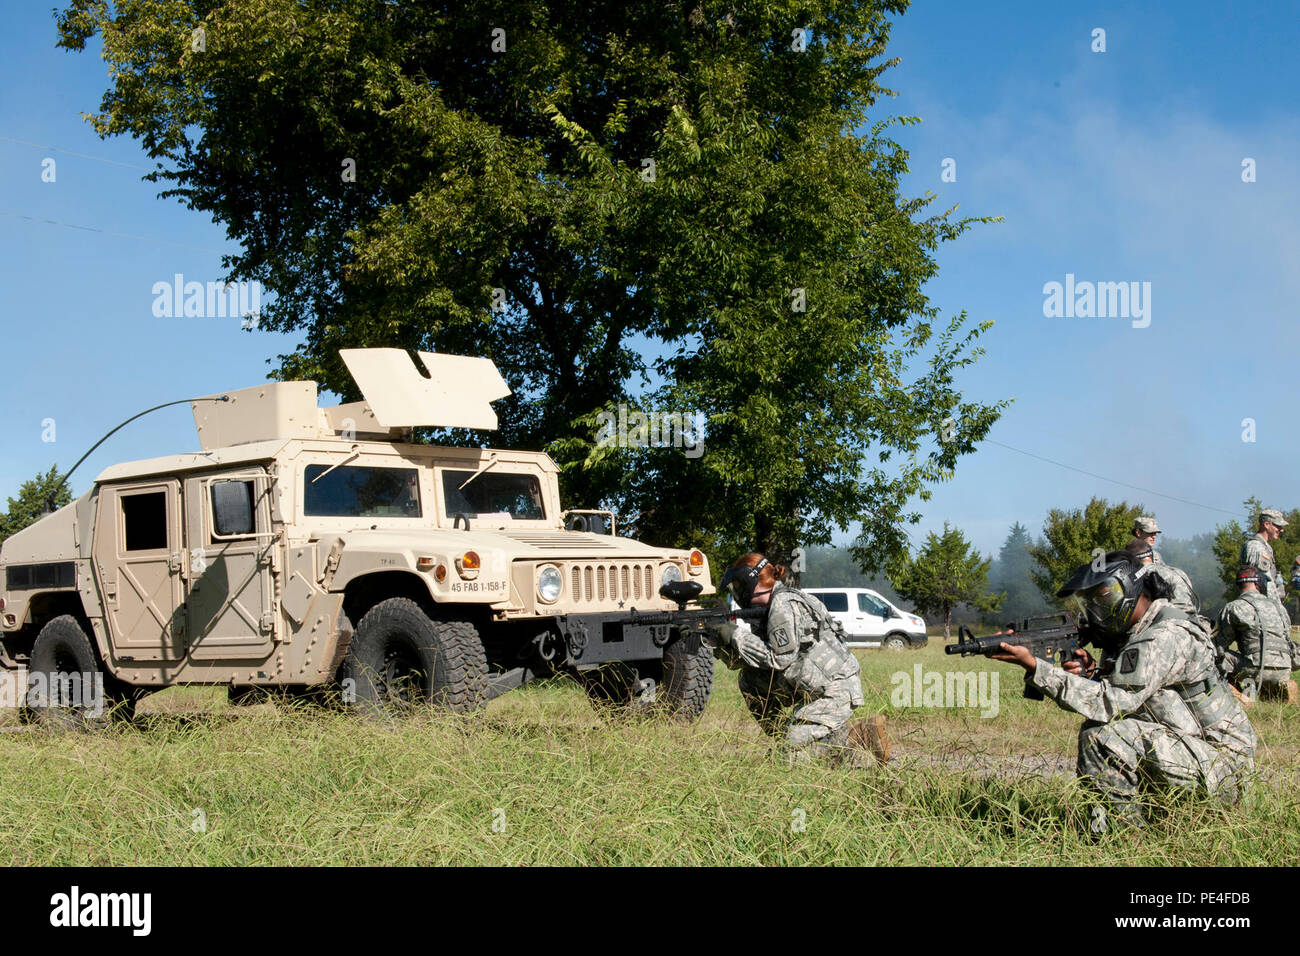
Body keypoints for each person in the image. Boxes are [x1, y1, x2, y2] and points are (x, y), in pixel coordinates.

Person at [992, 551, 1256, 833]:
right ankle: (1153, 822)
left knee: (1102, 737)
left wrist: (1036, 668)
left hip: (1226, 771)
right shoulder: (1143, 630)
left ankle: (1124, 837)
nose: (1094, 610)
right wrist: (1094, 672)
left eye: (1104, 597)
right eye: (1088, 602)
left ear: (1131, 589)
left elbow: (1109, 702)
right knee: (1108, 729)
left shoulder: (1164, 635)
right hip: (1202, 757)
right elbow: (1136, 693)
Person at [709, 553, 877, 763]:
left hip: (835, 691)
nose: (736, 593)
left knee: (785, 759)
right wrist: (715, 642)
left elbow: (779, 659)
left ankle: (861, 744)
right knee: (749, 679)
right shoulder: (772, 605)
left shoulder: (783, 605)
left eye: (737, 586)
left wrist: (734, 634)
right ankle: (792, 738)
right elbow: (750, 661)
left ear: (748, 583)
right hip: (811, 685)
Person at [1217, 566, 1299, 703]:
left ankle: (1242, 697)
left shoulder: (1234, 607)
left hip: (1254, 670)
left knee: (1212, 657)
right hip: (1285, 667)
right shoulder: (1279, 608)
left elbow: (1220, 645)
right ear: (1259, 583)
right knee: (1268, 692)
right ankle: (1281, 687)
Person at [1124, 538, 1199, 616]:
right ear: (1151, 556)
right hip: (1191, 621)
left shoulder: (1137, 576)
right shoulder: (1179, 572)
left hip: (1166, 622)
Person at [1241, 508, 1289, 620]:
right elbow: (1262, 582)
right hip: (1262, 609)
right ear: (1267, 524)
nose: (1281, 530)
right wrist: (1277, 609)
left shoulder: (1265, 547)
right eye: (1278, 526)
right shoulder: (1256, 547)